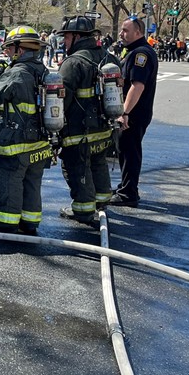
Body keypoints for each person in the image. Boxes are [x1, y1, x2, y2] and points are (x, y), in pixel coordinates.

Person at [0, 25, 54, 236]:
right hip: (40, 142)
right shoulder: (44, 72)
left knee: (10, 180)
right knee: (32, 183)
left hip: (16, 142)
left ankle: (6, 222)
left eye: (9, 48)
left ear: (20, 49)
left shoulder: (16, 74)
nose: (6, 52)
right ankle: (29, 222)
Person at [54, 16, 122, 229]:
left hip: (78, 130)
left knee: (76, 167)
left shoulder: (72, 63)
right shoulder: (108, 58)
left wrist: (54, 128)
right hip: (103, 128)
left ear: (76, 36)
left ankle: (83, 211)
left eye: (66, 37)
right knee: (98, 161)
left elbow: (60, 100)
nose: (64, 42)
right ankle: (101, 201)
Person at [105, 15, 159, 208]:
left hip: (134, 113)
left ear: (138, 32)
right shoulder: (133, 51)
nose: (121, 33)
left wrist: (124, 112)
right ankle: (125, 187)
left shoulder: (140, 54)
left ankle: (128, 193)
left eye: (126, 30)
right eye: (122, 29)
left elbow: (137, 86)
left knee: (130, 152)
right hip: (133, 112)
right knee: (125, 151)